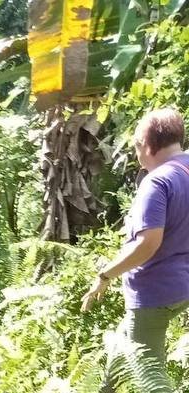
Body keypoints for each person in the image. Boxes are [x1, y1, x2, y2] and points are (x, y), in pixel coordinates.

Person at [82, 107, 189, 365]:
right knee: (121, 353)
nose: (137, 155)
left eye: (137, 146)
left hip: (155, 292)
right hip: (182, 283)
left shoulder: (157, 182)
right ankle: (108, 391)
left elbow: (148, 244)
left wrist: (105, 275)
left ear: (148, 146)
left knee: (147, 372)